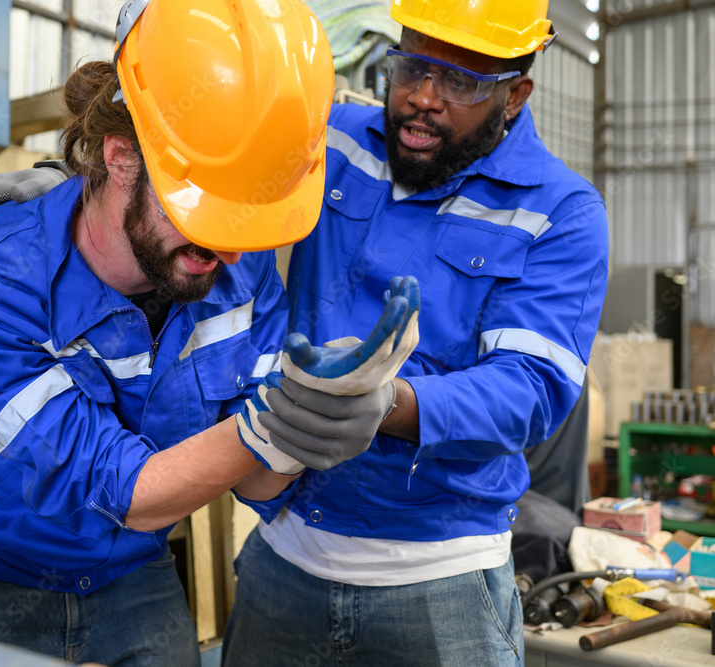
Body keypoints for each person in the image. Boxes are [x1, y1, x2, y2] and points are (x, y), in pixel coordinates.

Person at [0, 1, 418, 666]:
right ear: (120, 157)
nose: (226, 252)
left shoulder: (236, 263)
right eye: (208, 208)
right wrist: (272, 425)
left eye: (243, 214)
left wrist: (318, 413)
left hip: (131, 574)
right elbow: (125, 489)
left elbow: (254, 485)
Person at [220, 1, 609, 666]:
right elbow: (212, 186)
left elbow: (531, 387)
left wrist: (393, 406)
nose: (424, 99)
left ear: (515, 94)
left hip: (441, 585)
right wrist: (70, 196)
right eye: (412, 67)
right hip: (283, 562)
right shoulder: (330, 143)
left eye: (461, 82)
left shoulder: (559, 211)